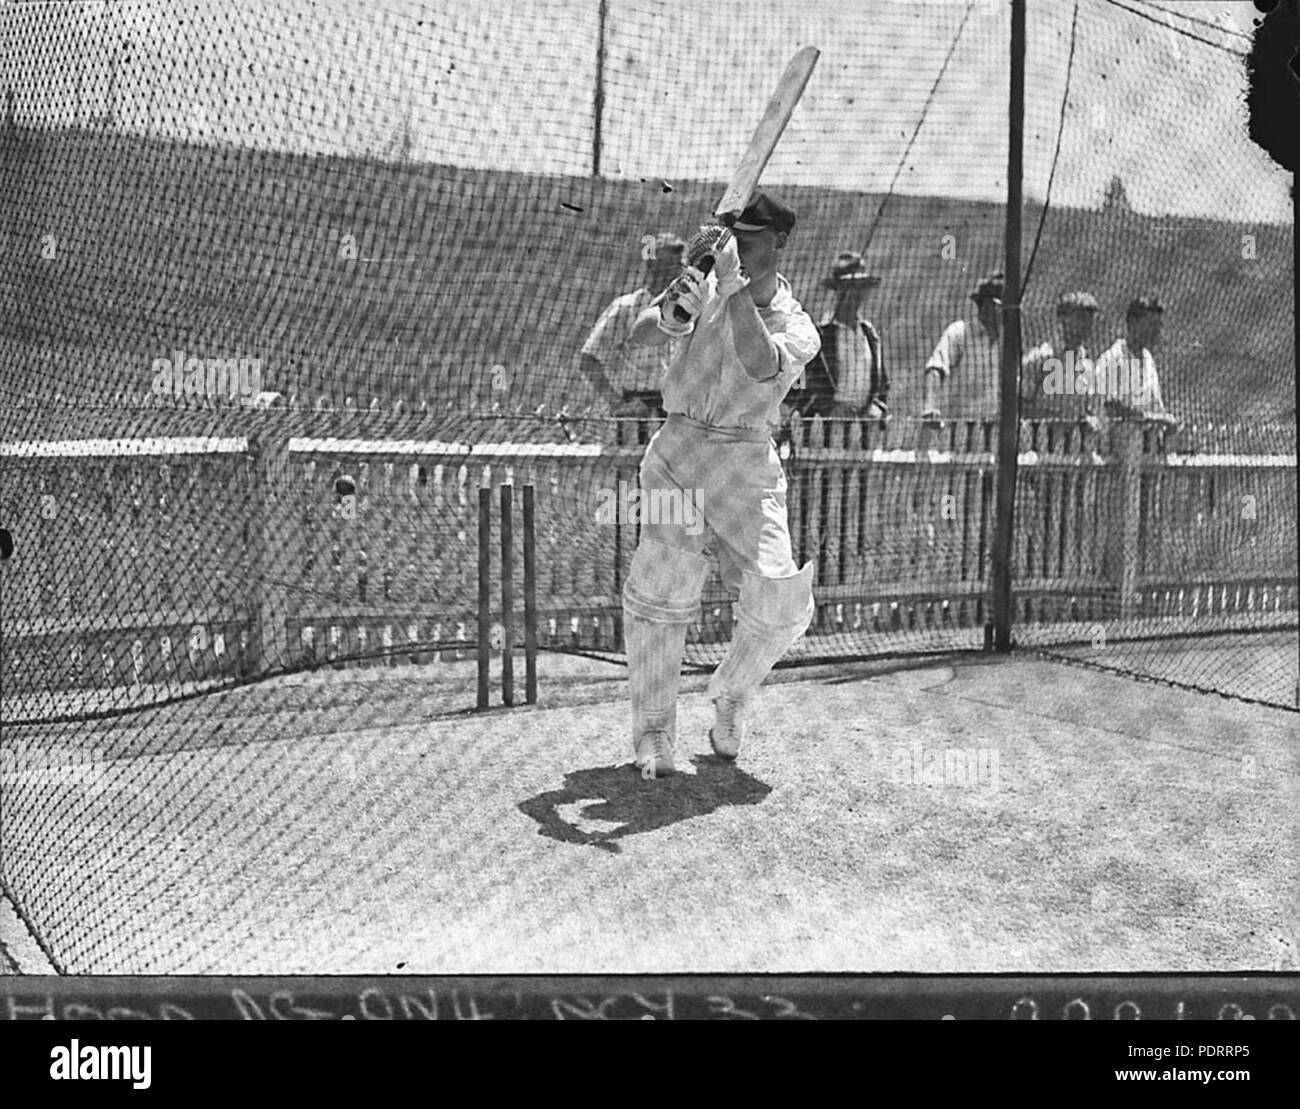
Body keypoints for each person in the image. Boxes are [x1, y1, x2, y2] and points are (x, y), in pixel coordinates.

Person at [621, 192, 821, 777]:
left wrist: (731, 289)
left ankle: (731, 693)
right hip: (678, 449)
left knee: (781, 599)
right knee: (662, 590)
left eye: (751, 240)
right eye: (733, 238)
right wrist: (667, 316)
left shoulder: (797, 323)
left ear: (778, 243)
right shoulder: (707, 286)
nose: (737, 249)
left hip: (745, 455)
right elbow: (637, 336)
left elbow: (761, 365)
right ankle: (654, 733)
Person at [578, 233, 685, 417]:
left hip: (678, 410)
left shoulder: (690, 309)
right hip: (636, 410)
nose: (677, 271)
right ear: (652, 266)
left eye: (680, 264)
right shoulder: (627, 308)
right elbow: (589, 360)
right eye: (670, 265)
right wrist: (616, 404)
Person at [790, 250, 888, 419]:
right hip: (823, 429)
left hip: (863, 431)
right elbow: (800, 385)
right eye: (850, 287)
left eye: (861, 287)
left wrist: (877, 406)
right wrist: (828, 407)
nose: (856, 294)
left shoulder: (870, 336)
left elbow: (882, 385)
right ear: (838, 290)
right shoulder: (820, 335)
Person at [922, 272, 1003, 421]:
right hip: (959, 427)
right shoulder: (960, 332)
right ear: (983, 306)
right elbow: (935, 367)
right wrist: (931, 406)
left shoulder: (1009, 340)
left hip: (995, 429)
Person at [1091, 296, 1175, 423]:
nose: (1156, 331)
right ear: (1133, 323)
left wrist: (1166, 421)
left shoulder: (1148, 361)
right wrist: (1150, 418)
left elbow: (1156, 406)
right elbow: (1110, 407)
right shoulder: (1113, 359)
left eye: (1158, 325)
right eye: (1150, 324)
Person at [1020, 291, 1100, 420]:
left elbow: (1087, 409)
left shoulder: (1086, 365)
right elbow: (1020, 403)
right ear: (1062, 319)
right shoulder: (1041, 358)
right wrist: (1053, 418)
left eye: (1088, 319)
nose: (1084, 325)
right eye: (1079, 317)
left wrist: (1089, 419)